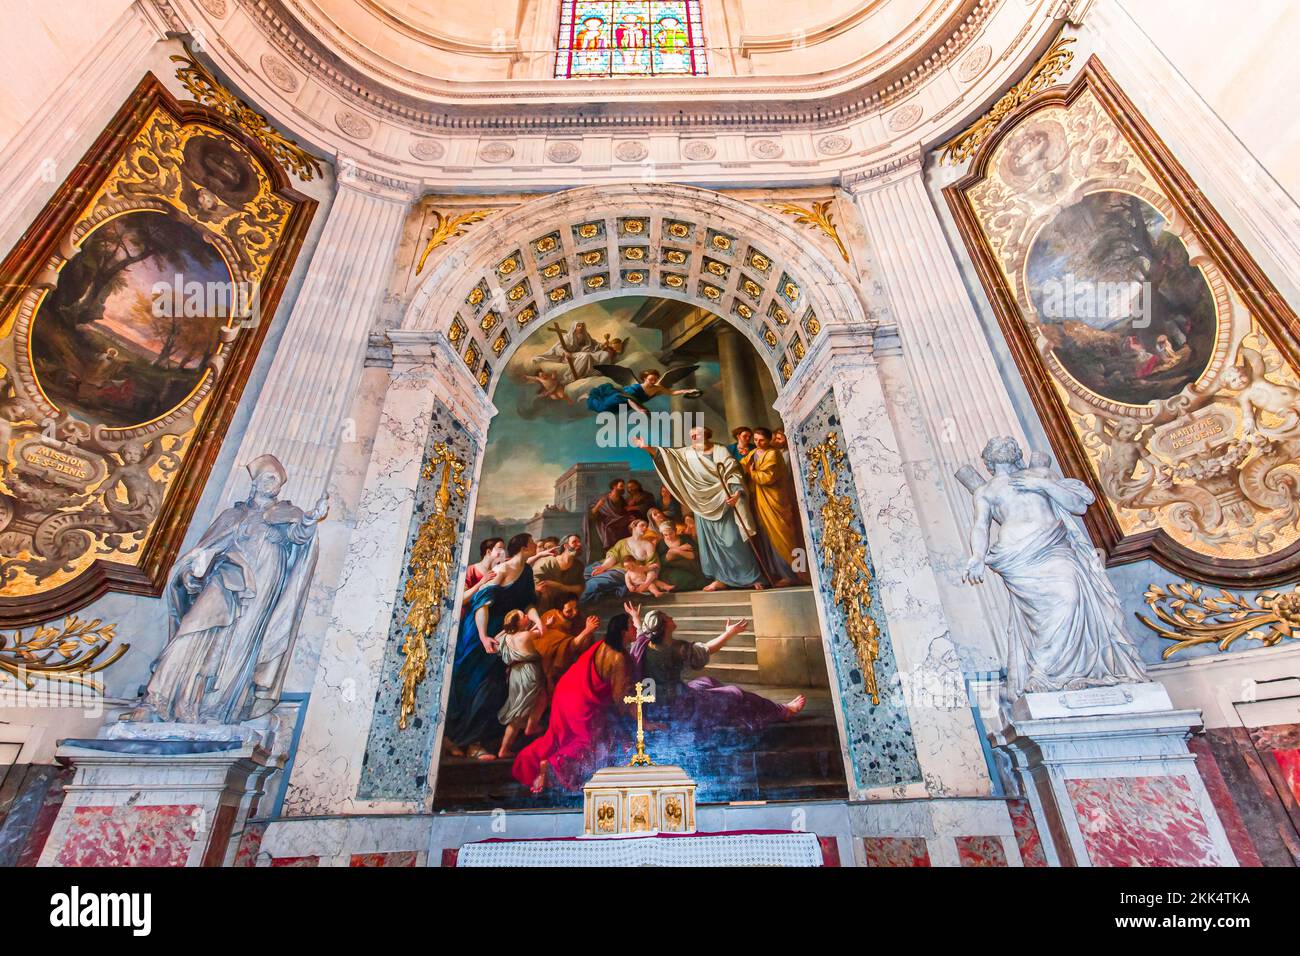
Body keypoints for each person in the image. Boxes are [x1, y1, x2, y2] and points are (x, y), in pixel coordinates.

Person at [962, 437, 1148, 697]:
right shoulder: (986, 491)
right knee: (1040, 616)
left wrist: (1042, 484)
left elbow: (1078, 505)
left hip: (1053, 547)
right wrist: (977, 557)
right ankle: (1043, 672)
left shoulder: (1039, 473)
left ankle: (1047, 670)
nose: (1002, 446)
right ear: (988, 460)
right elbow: (980, 526)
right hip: (1017, 559)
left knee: (1070, 597)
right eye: (996, 446)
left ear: (1016, 453)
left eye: (1007, 444)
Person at [512, 611, 638, 794]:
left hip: (565, 695)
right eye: (632, 626)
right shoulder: (618, 658)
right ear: (623, 632)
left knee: (558, 737)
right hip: (581, 704)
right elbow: (620, 700)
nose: (635, 628)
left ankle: (528, 761)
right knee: (592, 740)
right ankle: (551, 767)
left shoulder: (602, 645)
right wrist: (637, 718)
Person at [627, 606, 805, 733]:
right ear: (665, 626)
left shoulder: (644, 642)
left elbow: (641, 630)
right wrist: (729, 633)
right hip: (679, 707)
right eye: (668, 617)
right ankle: (783, 711)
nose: (672, 618)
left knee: (707, 682)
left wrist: (636, 618)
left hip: (662, 702)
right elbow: (707, 649)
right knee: (735, 693)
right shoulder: (676, 649)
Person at [633, 426, 764, 591]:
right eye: (692, 435)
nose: (694, 437)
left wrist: (737, 494)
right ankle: (720, 579)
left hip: (724, 499)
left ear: (707, 435)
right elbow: (666, 456)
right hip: (702, 504)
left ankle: (750, 576)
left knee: (733, 541)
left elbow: (733, 471)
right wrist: (647, 448)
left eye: (698, 434)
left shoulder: (719, 450)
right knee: (712, 545)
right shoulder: (687, 453)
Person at [445, 533, 540, 761]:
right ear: (525, 547)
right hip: (481, 633)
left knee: (496, 686)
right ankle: (471, 742)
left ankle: (483, 738)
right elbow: (482, 606)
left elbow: (528, 603)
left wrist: (538, 621)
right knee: (479, 685)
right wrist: (484, 637)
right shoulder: (501, 571)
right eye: (533, 542)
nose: (537, 545)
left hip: (502, 634)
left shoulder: (526, 571)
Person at [744, 427, 807, 585]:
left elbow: (768, 478)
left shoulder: (773, 454)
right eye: (755, 440)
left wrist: (752, 473)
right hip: (761, 501)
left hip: (775, 500)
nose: (758, 443)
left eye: (762, 440)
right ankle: (776, 573)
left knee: (781, 535)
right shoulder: (754, 453)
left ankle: (791, 574)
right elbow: (743, 464)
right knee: (766, 536)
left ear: (769, 439)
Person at [495, 610, 547, 759]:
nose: (526, 616)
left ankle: (531, 726)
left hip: (515, 675)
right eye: (523, 616)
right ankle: (504, 749)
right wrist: (538, 621)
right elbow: (542, 630)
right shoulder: (526, 635)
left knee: (540, 697)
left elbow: (498, 639)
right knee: (519, 713)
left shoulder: (506, 638)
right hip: (528, 672)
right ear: (518, 623)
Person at [581, 518, 659, 603]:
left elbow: (653, 566)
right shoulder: (622, 542)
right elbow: (614, 555)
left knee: (594, 583)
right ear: (633, 526)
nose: (645, 528)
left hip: (622, 571)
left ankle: (575, 603)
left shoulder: (648, 545)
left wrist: (646, 584)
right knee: (582, 574)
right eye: (642, 525)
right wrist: (603, 567)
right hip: (607, 564)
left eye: (646, 526)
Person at [535, 599, 602, 692]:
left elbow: (583, 649)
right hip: (549, 670)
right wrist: (587, 630)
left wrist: (589, 633)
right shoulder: (551, 618)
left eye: (576, 608)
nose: (575, 612)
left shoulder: (578, 620)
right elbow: (569, 646)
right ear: (559, 611)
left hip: (569, 667)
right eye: (569, 611)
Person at [532, 534, 586, 612]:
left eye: (579, 542)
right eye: (574, 542)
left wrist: (560, 586)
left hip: (566, 610)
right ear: (566, 546)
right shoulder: (545, 563)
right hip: (542, 609)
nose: (579, 544)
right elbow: (535, 586)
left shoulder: (578, 566)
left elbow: (580, 588)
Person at [655, 520, 707, 591]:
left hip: (689, 566)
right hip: (670, 569)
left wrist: (677, 552)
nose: (669, 537)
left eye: (671, 533)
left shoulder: (685, 539)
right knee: (680, 580)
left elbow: (693, 555)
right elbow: (663, 561)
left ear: (675, 530)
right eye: (665, 535)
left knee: (699, 579)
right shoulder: (661, 544)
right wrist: (678, 550)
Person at [462, 537, 504, 609]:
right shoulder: (471, 570)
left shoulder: (499, 569)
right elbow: (462, 599)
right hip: (473, 611)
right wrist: (481, 582)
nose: (503, 552)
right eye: (499, 549)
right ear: (488, 552)